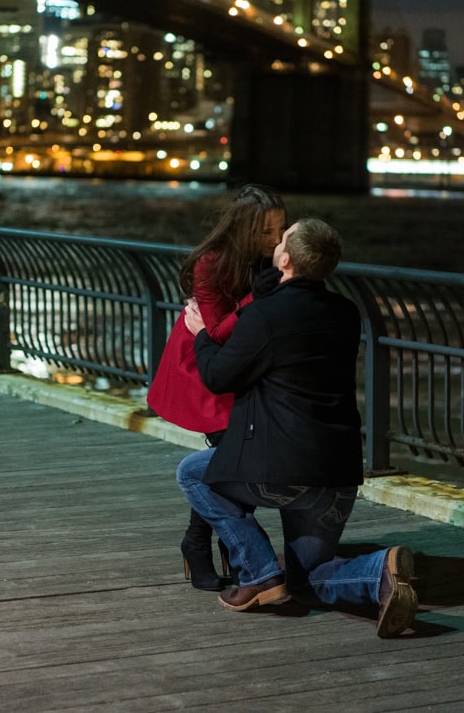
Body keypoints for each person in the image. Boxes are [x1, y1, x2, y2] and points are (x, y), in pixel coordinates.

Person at [174, 218, 419, 638]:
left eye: (282, 239)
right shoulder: (345, 313)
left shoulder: (264, 317)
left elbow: (217, 376)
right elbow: (292, 306)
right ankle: (379, 571)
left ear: (285, 259)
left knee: (193, 473)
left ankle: (259, 573)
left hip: (282, 468)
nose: (276, 239)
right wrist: (279, 280)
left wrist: (201, 336)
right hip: (337, 473)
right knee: (309, 580)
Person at [147, 184, 286, 591]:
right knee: (233, 455)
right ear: (244, 230)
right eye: (266, 231)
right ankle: (201, 543)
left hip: (243, 364)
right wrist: (257, 299)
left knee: (234, 459)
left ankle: (213, 544)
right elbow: (216, 332)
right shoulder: (211, 264)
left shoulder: (273, 261)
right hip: (206, 364)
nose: (276, 239)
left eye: (281, 229)